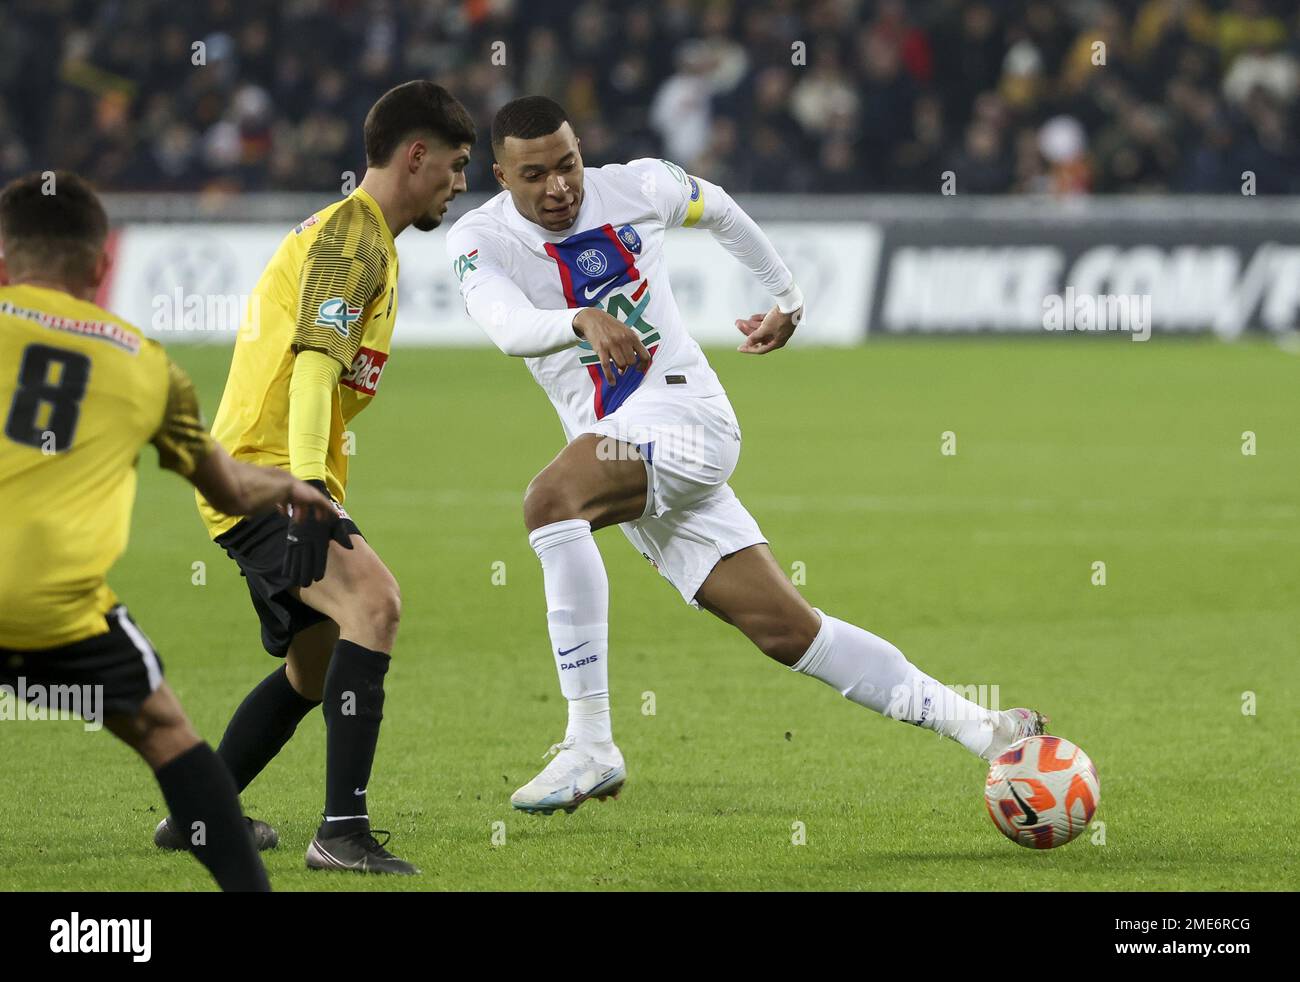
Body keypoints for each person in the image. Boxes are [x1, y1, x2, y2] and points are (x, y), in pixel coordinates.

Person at [445, 97, 1047, 815]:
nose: (559, 187)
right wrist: (580, 317)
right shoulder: (477, 238)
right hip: (626, 448)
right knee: (789, 630)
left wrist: (786, 296)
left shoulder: (637, 186)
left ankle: (590, 744)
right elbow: (508, 326)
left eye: (568, 164)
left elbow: (720, 209)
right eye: (535, 174)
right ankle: (989, 731)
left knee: (550, 502)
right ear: (502, 175)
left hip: (684, 416)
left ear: (582, 151)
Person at [152, 80, 474, 874]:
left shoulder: (367, 239)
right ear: (416, 155)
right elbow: (309, 371)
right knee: (377, 601)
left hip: (257, 471)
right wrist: (310, 491)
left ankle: (199, 815)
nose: (462, 184)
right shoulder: (352, 241)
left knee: (315, 662)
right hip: (261, 475)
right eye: (459, 166)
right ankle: (341, 833)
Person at [0, 170, 342, 890]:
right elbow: (228, 487)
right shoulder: (145, 364)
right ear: (102, 264)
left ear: (5, 259)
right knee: (166, 733)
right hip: (52, 612)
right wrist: (294, 485)